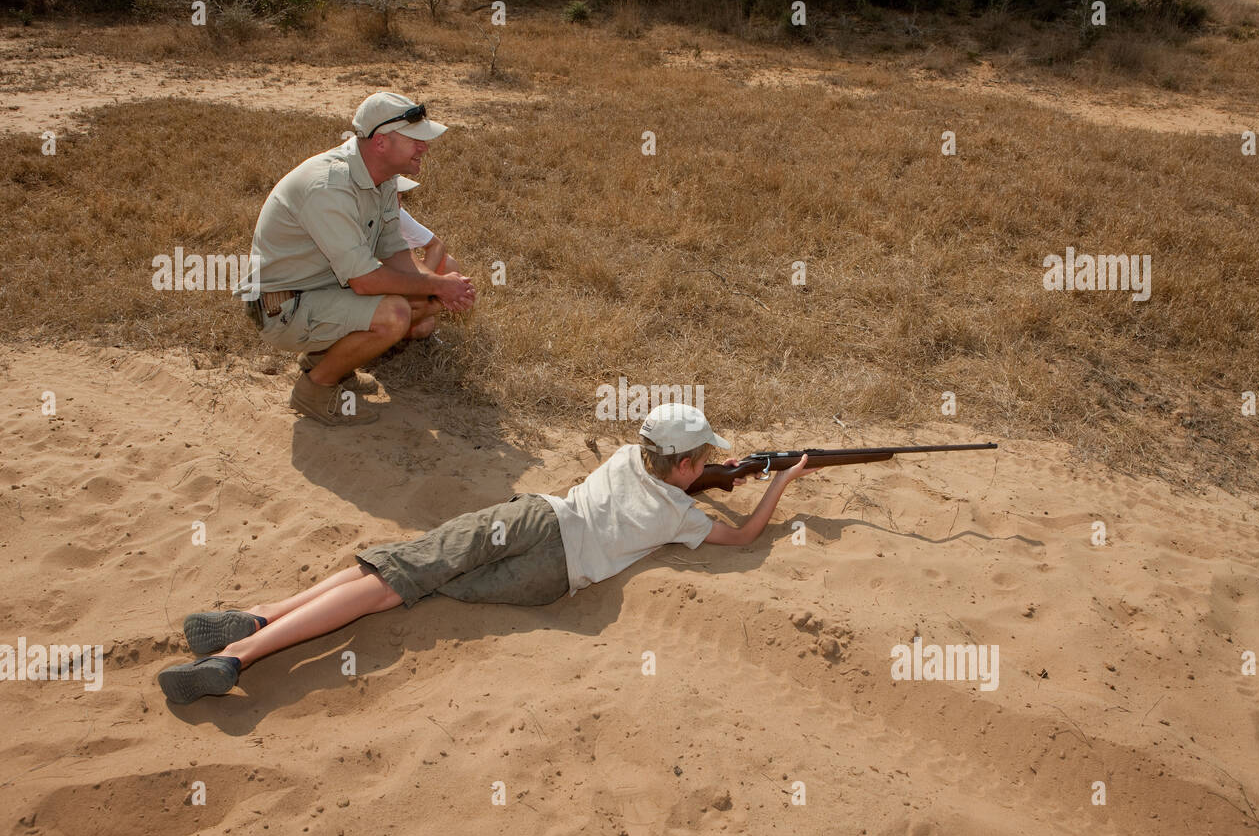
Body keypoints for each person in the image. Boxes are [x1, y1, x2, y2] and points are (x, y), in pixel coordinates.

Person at [156, 404, 819, 704]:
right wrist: (778, 483)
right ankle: (256, 620)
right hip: (549, 580)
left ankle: (241, 650)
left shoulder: (628, 460)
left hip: (535, 522)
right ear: (690, 464)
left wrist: (720, 470)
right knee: (403, 576)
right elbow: (742, 537)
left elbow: (674, 470)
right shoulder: (680, 517)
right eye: (703, 459)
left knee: (398, 569)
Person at [236, 92, 477, 426]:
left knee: (420, 303)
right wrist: (438, 285)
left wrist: (439, 290)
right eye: (415, 140)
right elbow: (364, 281)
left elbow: (395, 253)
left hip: (317, 292)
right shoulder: (328, 186)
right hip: (279, 308)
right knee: (395, 314)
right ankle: (316, 389)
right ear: (381, 142)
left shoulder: (383, 179)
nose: (424, 147)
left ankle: (324, 359)